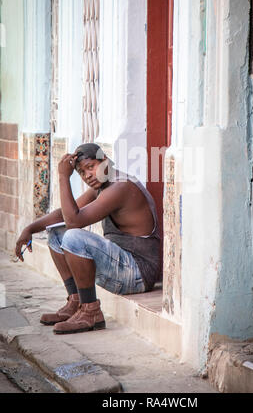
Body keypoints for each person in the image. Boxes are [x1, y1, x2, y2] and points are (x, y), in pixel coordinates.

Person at [15, 143, 161, 335]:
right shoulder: (103, 184)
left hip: (138, 273)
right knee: (56, 233)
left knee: (73, 236)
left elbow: (74, 221)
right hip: (122, 265)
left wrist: (63, 177)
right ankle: (76, 301)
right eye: (82, 173)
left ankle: (90, 311)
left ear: (105, 161)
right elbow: (64, 215)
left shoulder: (120, 186)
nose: (88, 176)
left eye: (91, 167)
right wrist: (30, 229)